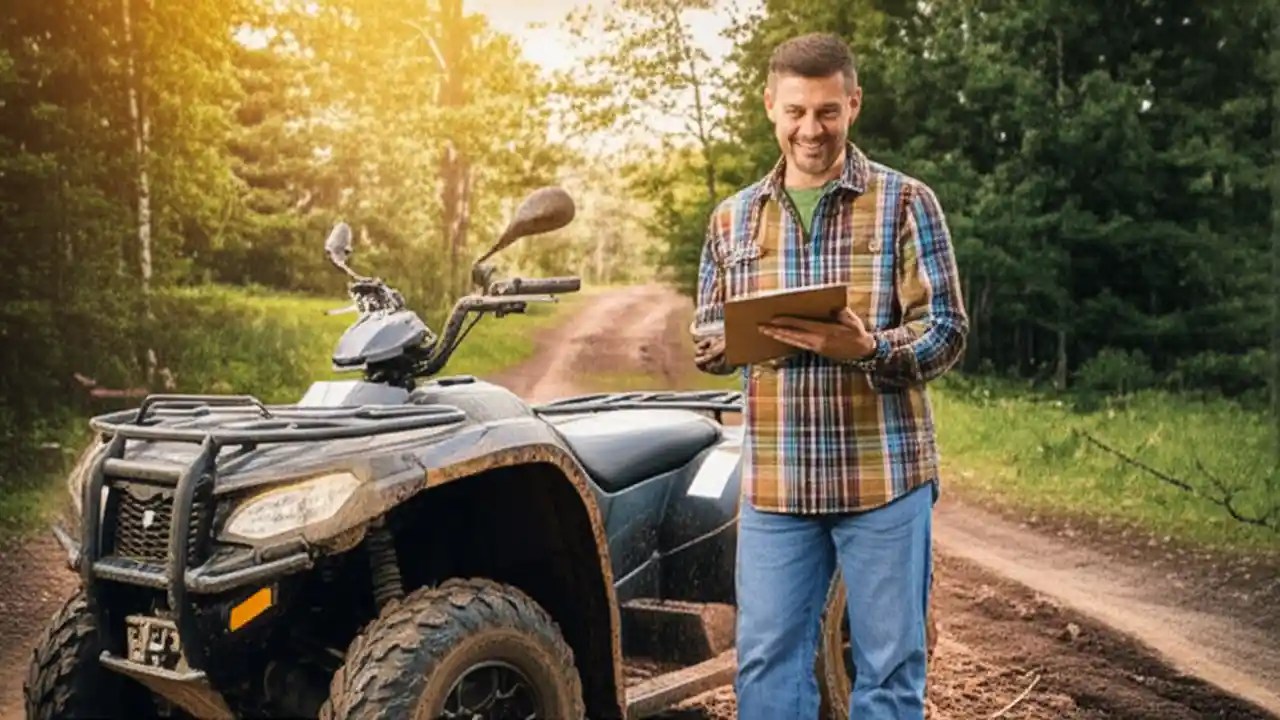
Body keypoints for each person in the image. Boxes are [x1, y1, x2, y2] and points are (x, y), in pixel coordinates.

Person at [691, 32, 968, 720]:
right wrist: (719, 348)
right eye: (795, 112)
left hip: (883, 477)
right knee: (765, 664)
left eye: (826, 112)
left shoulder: (908, 203)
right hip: (777, 482)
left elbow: (947, 331)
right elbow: (709, 332)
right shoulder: (731, 220)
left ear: (853, 104)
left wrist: (869, 349)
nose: (809, 129)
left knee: (889, 666)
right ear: (769, 107)